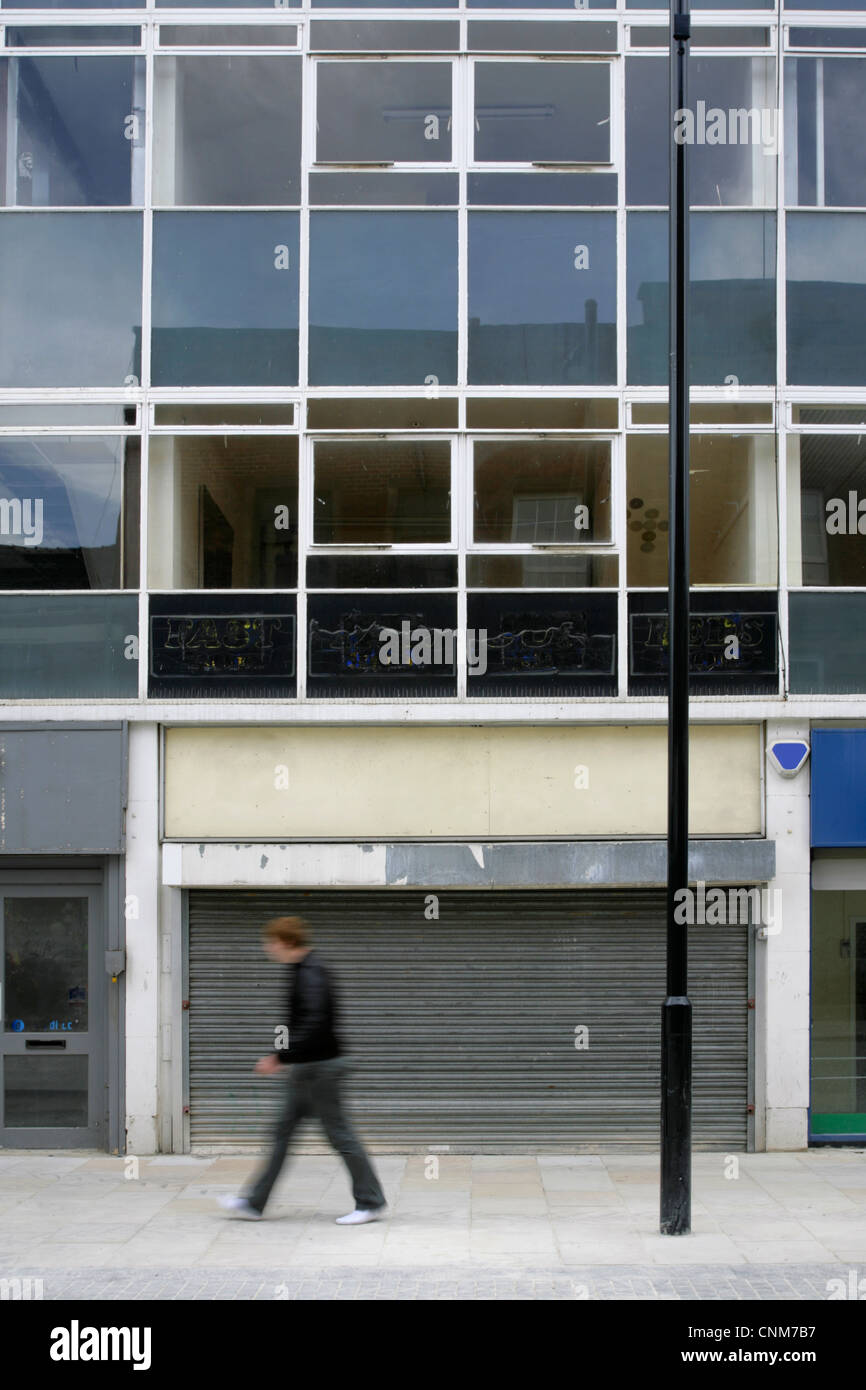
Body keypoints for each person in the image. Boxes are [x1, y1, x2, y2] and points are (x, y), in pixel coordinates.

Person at [218, 915, 386, 1225]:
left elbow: (315, 1025)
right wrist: (287, 1057)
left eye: (271, 942)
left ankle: (370, 1202)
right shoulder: (301, 970)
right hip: (307, 1067)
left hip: (321, 1068)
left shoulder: (312, 973)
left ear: (286, 942)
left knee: (339, 1134)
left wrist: (280, 1057)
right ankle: (254, 1203)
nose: (267, 947)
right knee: (282, 1132)